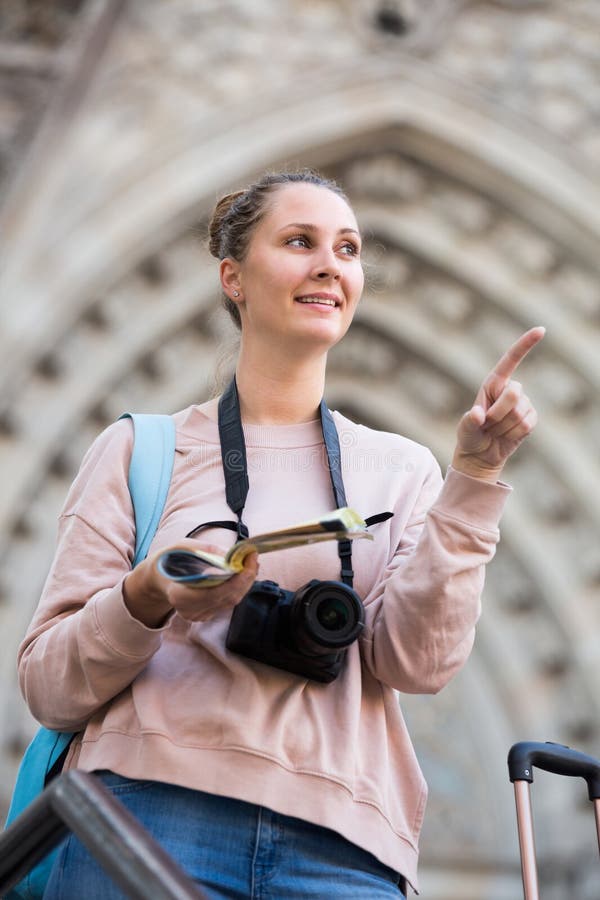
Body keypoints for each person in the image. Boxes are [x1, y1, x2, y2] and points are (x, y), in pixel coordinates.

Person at [18, 169, 544, 899]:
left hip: (344, 851)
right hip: (143, 818)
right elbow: (49, 686)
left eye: (349, 249)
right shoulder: (141, 451)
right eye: (300, 241)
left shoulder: (404, 471)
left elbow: (417, 663)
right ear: (233, 277)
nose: (330, 264)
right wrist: (147, 595)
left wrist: (474, 479)